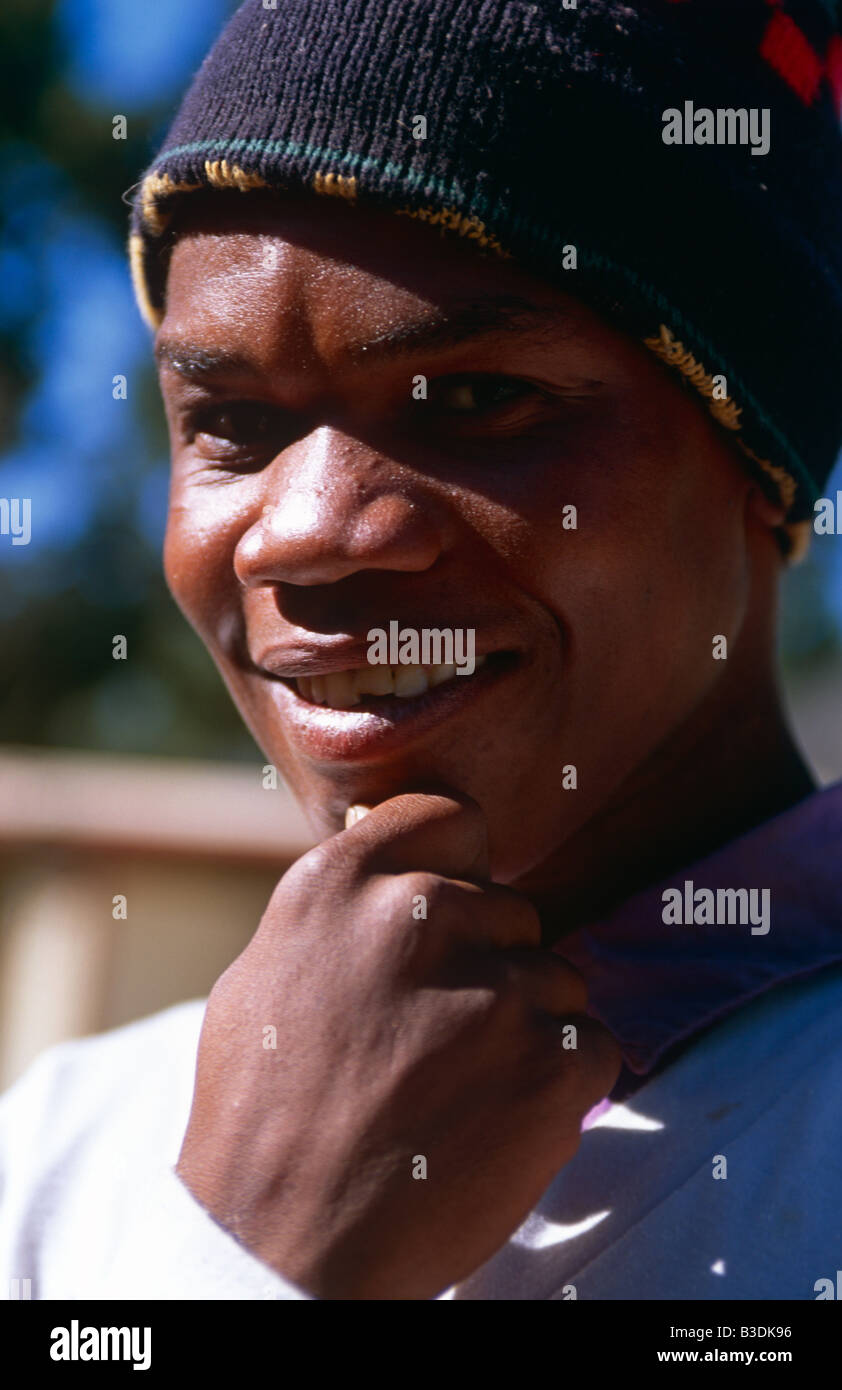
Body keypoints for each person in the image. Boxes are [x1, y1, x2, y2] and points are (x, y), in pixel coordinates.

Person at [2, 0, 842, 1301]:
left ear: (756, 461)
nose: (308, 533)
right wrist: (244, 1248)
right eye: (227, 421)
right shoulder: (66, 1146)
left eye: (472, 398)